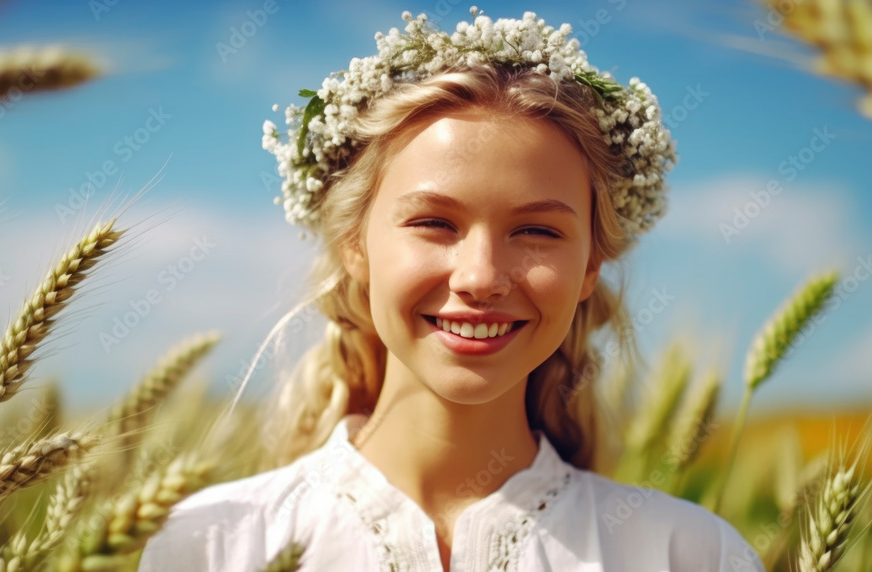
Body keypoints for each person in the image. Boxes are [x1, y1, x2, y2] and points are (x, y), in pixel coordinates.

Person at [140, 7, 765, 571]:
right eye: (434, 223)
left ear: (589, 269)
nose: (481, 278)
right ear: (355, 246)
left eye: (537, 231)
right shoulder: (210, 545)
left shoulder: (689, 553)